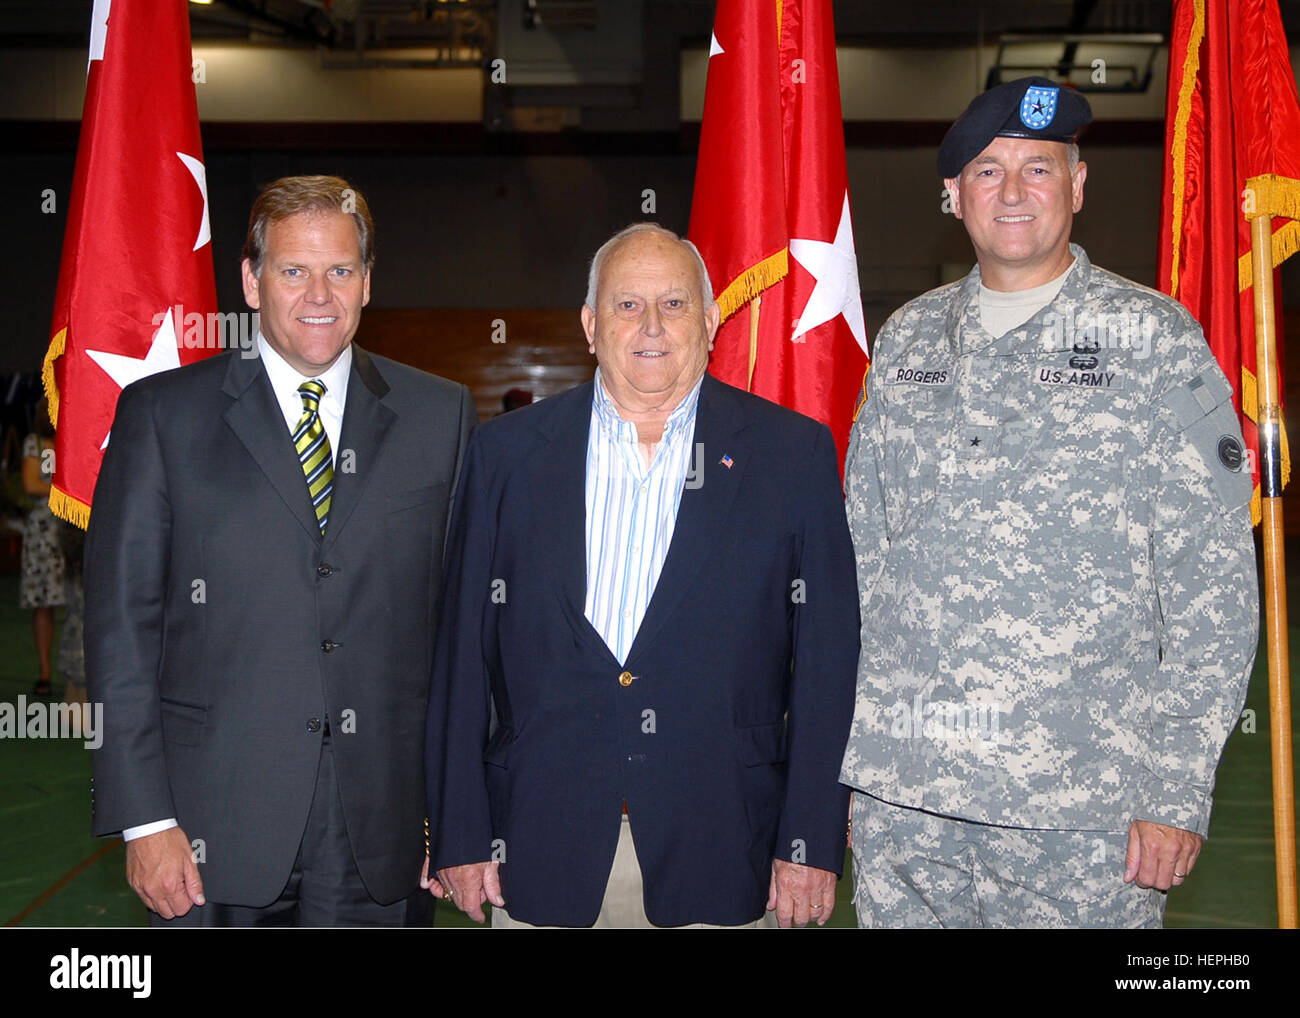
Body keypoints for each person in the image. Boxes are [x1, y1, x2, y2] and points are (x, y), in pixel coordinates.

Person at [839, 77, 1259, 928]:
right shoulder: (910, 338)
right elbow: (861, 557)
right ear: (953, 196)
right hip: (911, 807)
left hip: (1087, 817)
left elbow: (1213, 582)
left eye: (1039, 168)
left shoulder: (1157, 340)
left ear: (1078, 184)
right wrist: (851, 769)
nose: (1015, 192)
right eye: (989, 172)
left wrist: (1176, 787)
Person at [430, 223, 859, 928]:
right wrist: (459, 830)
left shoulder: (792, 457)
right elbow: (460, 663)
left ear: (712, 320)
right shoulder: (505, 456)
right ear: (591, 325)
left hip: (723, 850)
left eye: (675, 304)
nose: (651, 325)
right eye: (627, 305)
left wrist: (809, 838)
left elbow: (827, 667)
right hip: (534, 850)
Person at [85, 175, 476, 926]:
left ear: (367, 281)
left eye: (340, 270)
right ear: (250, 281)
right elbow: (119, 632)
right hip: (208, 837)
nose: (318, 293)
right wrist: (144, 820)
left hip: (387, 835)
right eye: (294, 270)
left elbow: (460, 633)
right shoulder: (163, 418)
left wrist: (454, 812)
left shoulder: (439, 415)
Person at [20, 397, 63, 697]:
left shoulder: (74, 438)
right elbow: (31, 485)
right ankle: (45, 670)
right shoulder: (35, 443)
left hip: (73, 530)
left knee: (81, 600)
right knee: (43, 602)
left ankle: (82, 671)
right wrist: (65, 488)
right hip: (43, 532)